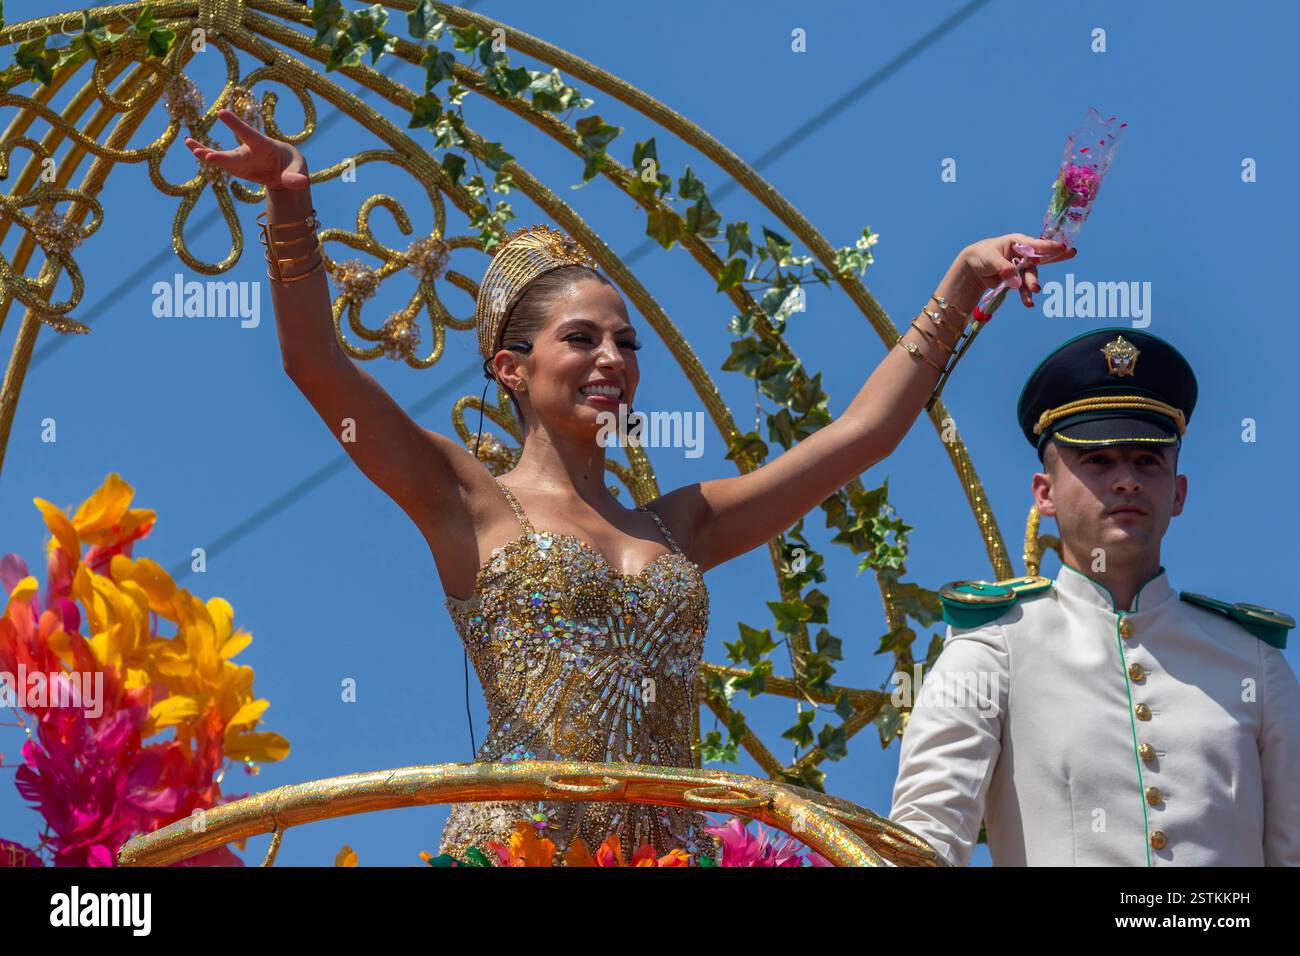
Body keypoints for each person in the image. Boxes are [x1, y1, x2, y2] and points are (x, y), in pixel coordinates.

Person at [185, 108, 1074, 863]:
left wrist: (960, 285)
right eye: (581, 339)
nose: (612, 360)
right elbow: (315, 366)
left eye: (627, 343)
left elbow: (862, 437)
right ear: (511, 368)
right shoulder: (467, 500)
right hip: (516, 853)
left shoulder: (681, 524)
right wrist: (290, 200)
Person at [889, 328, 1300, 866]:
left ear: (1177, 492)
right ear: (1045, 493)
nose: (1127, 480)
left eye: (1148, 461)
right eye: (1098, 461)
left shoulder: (1255, 662)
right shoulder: (991, 648)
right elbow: (924, 839)